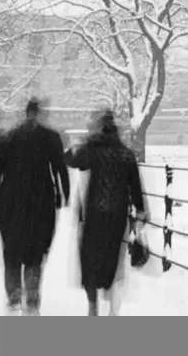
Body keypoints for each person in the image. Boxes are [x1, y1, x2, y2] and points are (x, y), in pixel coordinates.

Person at [0, 97, 70, 315]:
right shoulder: (51, 138)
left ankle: (13, 295)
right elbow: (60, 168)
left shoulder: (8, 138)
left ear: (25, 113)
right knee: (36, 249)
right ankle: (32, 292)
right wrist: (63, 194)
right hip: (41, 200)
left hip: (9, 200)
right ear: (39, 113)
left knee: (11, 249)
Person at [65, 108, 146, 316]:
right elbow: (135, 186)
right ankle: (112, 307)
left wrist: (86, 140)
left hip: (93, 215)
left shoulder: (91, 150)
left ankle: (92, 306)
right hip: (117, 216)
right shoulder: (125, 154)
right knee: (113, 259)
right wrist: (140, 211)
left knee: (90, 260)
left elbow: (69, 159)